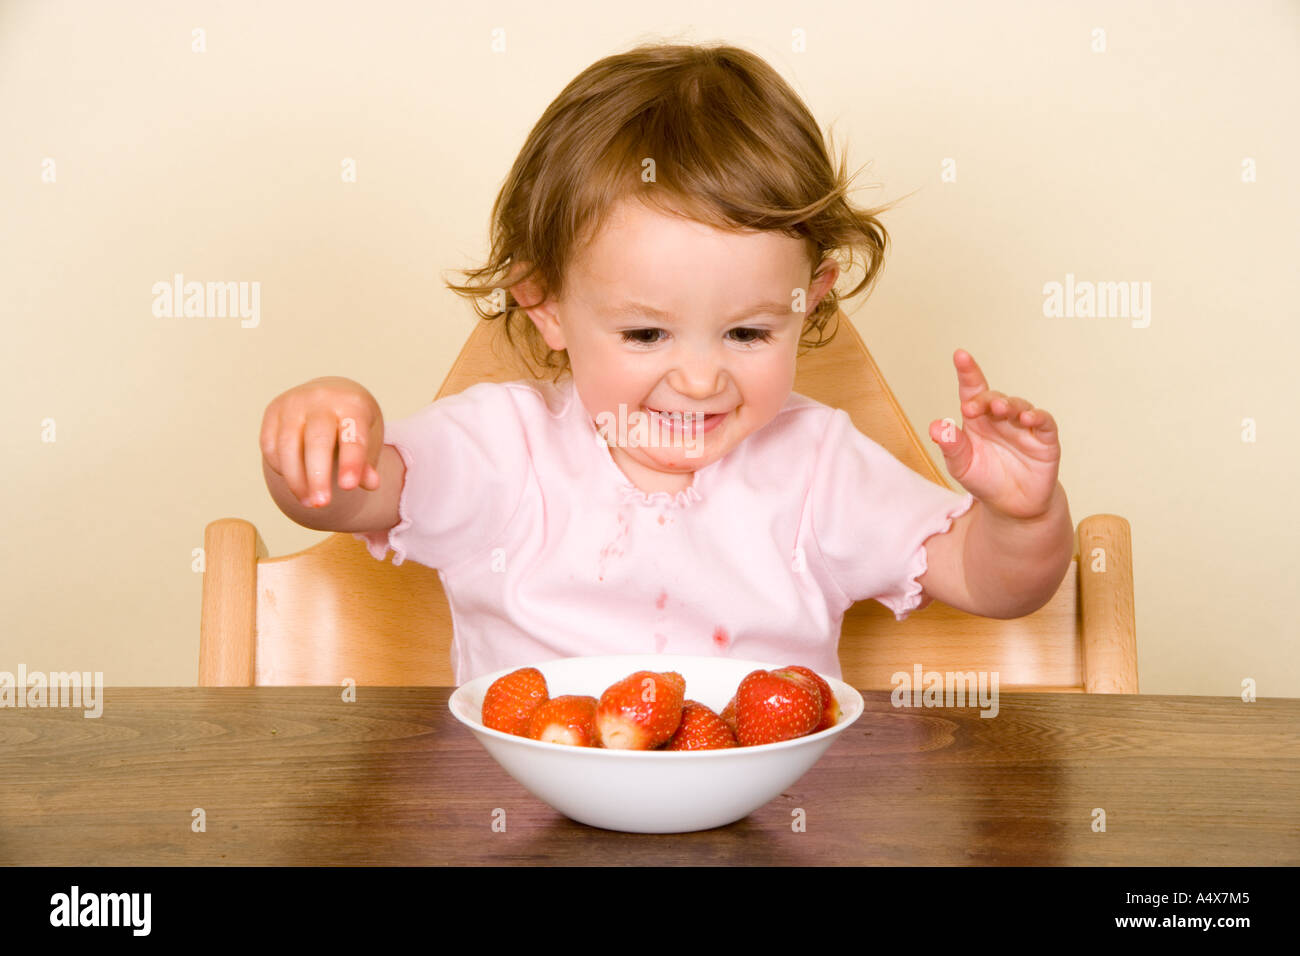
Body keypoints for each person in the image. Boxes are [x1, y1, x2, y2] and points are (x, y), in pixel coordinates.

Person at [259, 43, 1075, 684]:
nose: (698, 379)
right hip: (522, 825)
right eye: (647, 336)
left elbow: (991, 583)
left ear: (812, 301)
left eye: (749, 334)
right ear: (545, 306)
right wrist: (324, 438)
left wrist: (1022, 519)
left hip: (767, 828)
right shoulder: (505, 449)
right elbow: (353, 497)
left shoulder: (818, 466)